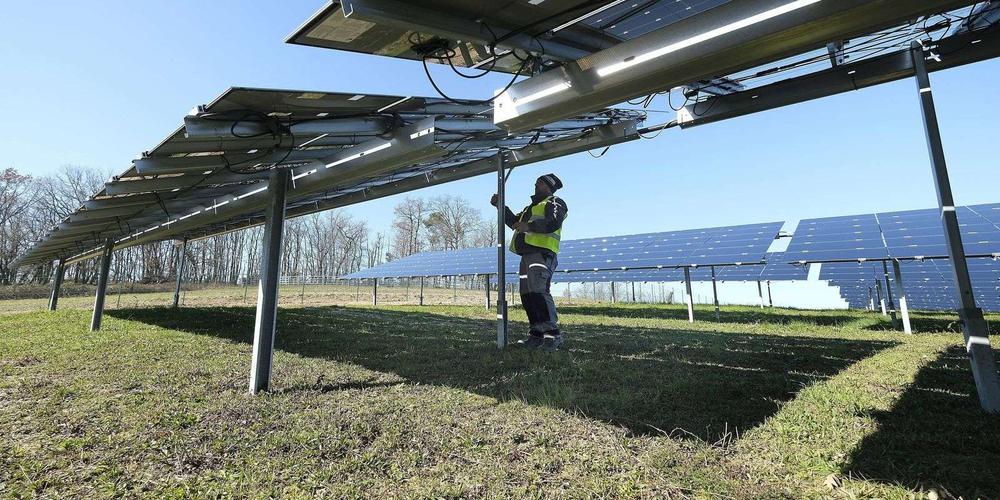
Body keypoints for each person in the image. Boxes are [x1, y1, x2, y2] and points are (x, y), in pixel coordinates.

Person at [491, 173, 568, 350]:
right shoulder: (529, 208)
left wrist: (530, 226)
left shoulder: (555, 202)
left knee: (539, 292)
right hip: (527, 255)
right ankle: (536, 334)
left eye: (539, 182)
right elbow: (513, 222)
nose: (535, 184)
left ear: (548, 186)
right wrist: (500, 206)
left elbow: (554, 222)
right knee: (528, 294)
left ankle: (552, 335)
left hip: (541, 253)